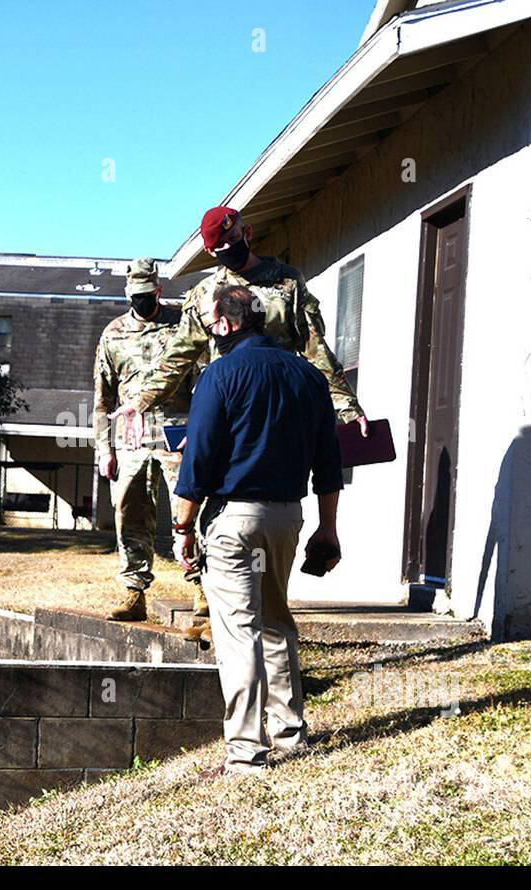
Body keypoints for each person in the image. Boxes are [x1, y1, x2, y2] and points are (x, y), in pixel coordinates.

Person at [172, 284, 344, 774]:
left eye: (208, 321)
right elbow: (329, 463)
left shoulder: (219, 374)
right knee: (275, 622)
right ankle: (290, 732)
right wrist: (328, 528)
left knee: (237, 632)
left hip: (233, 519)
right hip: (288, 516)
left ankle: (246, 751)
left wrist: (183, 526)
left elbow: (199, 461)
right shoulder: (309, 377)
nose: (207, 329)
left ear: (226, 324)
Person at [114, 205, 367, 450]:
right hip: (228, 408)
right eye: (220, 245)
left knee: (275, 487)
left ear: (246, 233)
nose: (229, 247)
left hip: (277, 404)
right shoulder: (204, 295)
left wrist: (346, 406)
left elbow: (314, 347)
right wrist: (140, 401)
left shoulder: (286, 282)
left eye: (233, 238)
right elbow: (178, 357)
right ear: (210, 251)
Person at [93, 257, 206, 622]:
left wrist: (201, 430)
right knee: (129, 512)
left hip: (177, 432)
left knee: (188, 508)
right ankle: (133, 591)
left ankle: (201, 585)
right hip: (130, 436)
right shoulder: (112, 334)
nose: (140, 302)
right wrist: (104, 448)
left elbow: (204, 382)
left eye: (146, 294)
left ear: (158, 290)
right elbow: (102, 400)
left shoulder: (181, 326)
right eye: (134, 296)